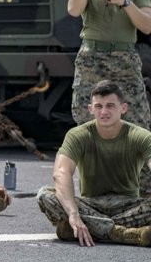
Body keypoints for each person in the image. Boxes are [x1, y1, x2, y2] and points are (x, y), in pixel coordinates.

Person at [67, 0, 151, 195]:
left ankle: (143, 190)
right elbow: (74, 9)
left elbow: (147, 26)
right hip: (92, 56)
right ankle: (94, 186)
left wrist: (125, 2)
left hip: (125, 56)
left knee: (137, 119)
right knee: (85, 117)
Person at [37, 80, 151, 247]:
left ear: (123, 108)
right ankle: (121, 233)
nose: (104, 112)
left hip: (128, 205)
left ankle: (82, 230)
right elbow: (61, 173)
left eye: (110, 106)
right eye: (98, 106)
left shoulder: (141, 136)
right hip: (90, 204)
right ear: (91, 109)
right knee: (45, 194)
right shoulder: (77, 135)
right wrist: (74, 214)